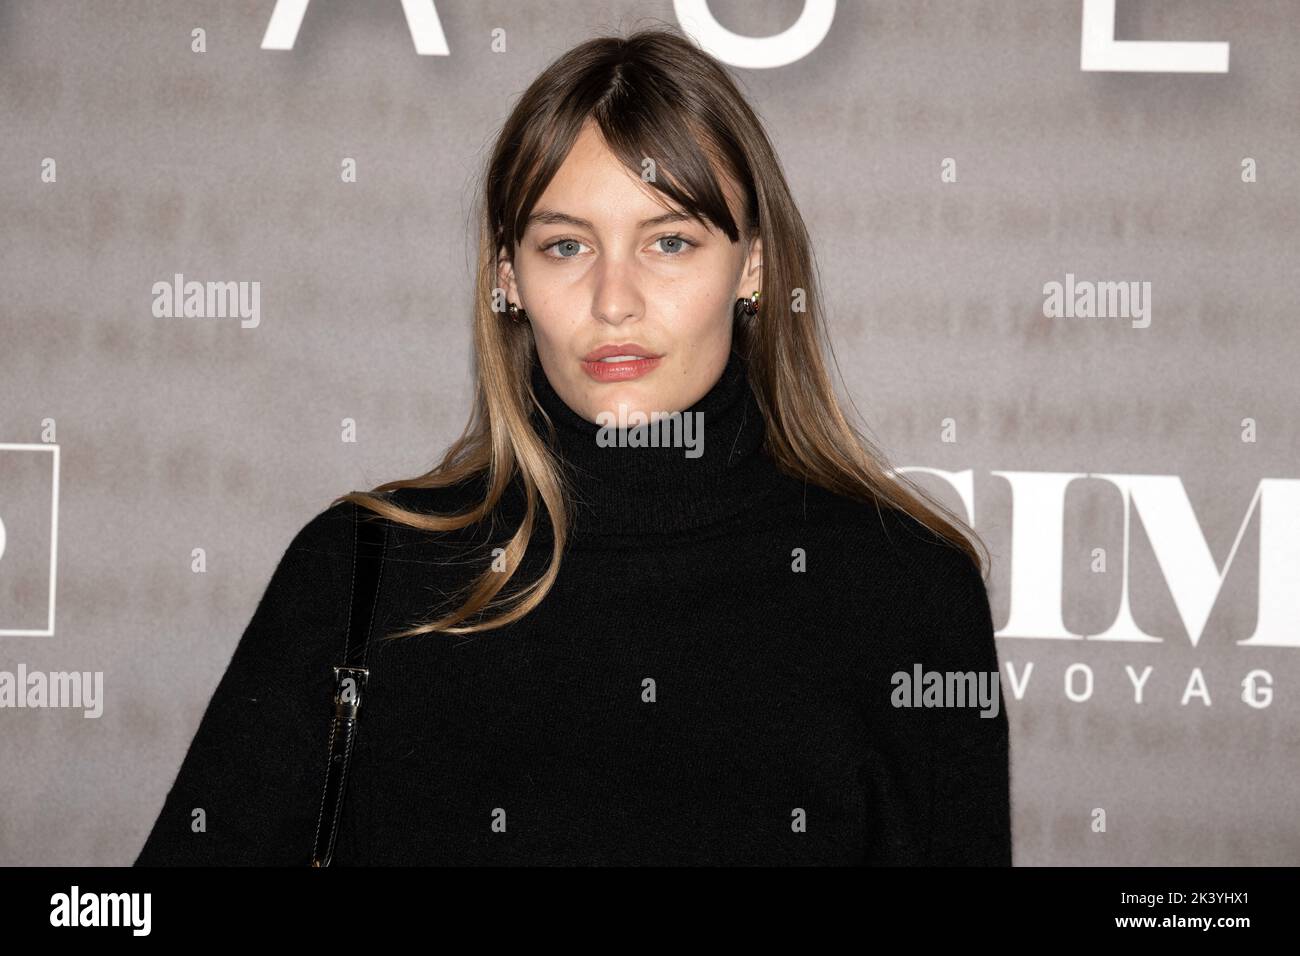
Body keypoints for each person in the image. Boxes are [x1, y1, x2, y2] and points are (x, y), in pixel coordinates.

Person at [134, 26, 1011, 866]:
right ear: (508, 276)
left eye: (669, 241)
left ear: (753, 267)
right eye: (565, 246)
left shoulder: (910, 596)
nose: (614, 299)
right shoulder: (362, 574)